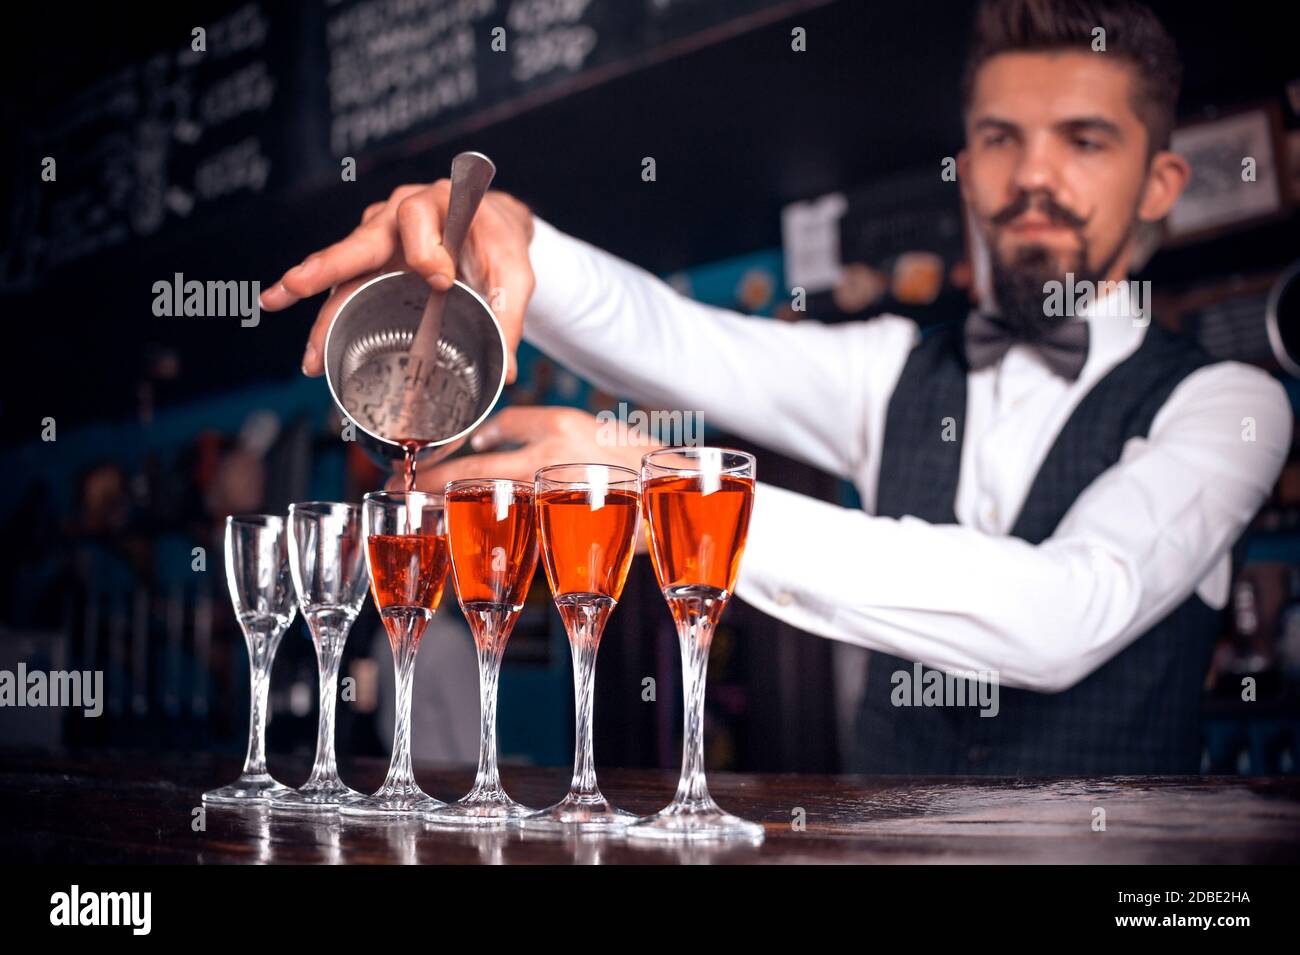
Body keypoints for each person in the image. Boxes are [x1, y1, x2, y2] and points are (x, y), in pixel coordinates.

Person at [261, 0, 1291, 774]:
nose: (1031, 177)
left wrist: (664, 483)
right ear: (966, 168)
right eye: (998, 139)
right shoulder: (893, 366)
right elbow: (680, 342)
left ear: (1159, 180)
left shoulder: (1230, 402)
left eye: (1084, 140)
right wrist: (520, 235)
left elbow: (1065, 613)